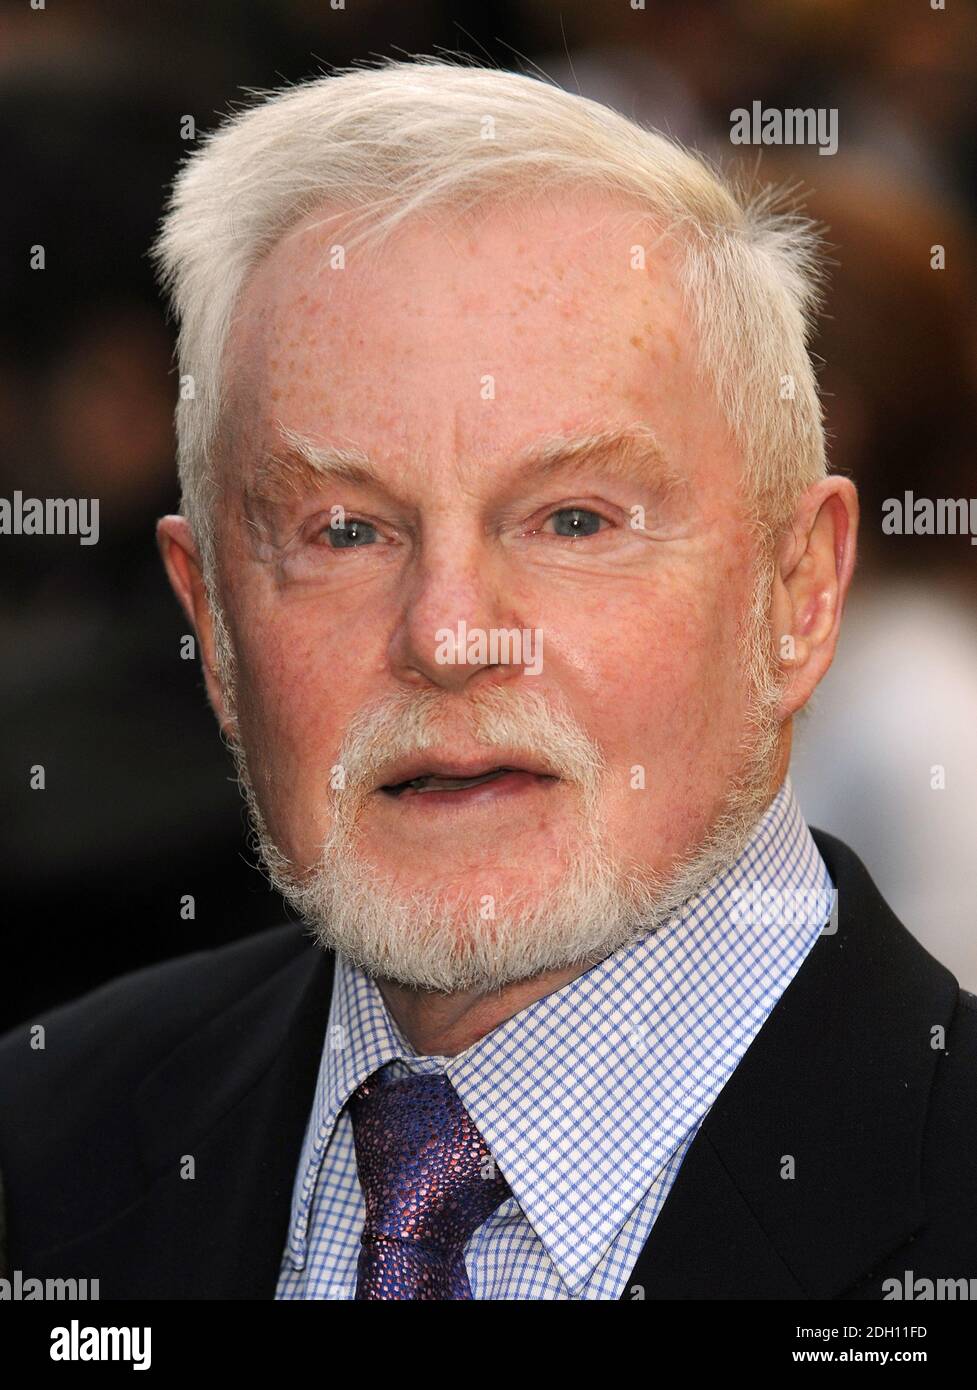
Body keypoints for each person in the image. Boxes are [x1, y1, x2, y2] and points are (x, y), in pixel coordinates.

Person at [1, 57, 975, 1301]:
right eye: (343, 531)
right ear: (214, 623)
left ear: (796, 593)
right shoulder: (40, 1150)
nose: (449, 635)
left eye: (573, 520)